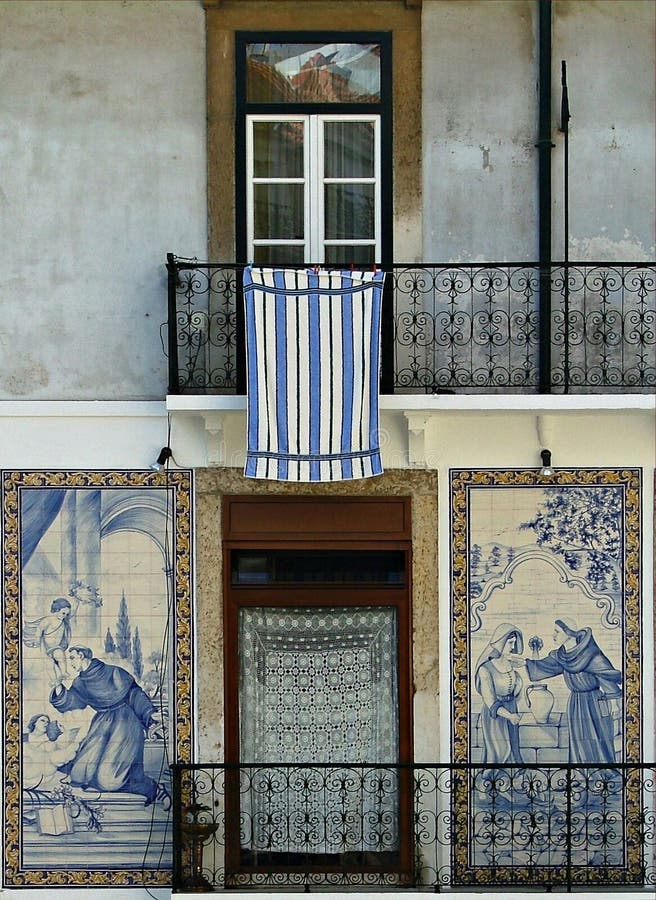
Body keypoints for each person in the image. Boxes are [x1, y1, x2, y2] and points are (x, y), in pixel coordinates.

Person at [49, 646, 169, 808]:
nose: (70, 663)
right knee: (79, 773)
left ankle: (155, 790)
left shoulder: (113, 672)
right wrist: (58, 685)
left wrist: (150, 714)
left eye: (72, 658)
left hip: (125, 723)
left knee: (108, 780)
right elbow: (72, 701)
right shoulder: (79, 682)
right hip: (102, 723)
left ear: (82, 655)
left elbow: (134, 694)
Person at [525, 618, 621, 764]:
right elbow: (544, 666)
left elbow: (606, 676)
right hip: (575, 703)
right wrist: (524, 663)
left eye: (557, 632)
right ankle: (580, 772)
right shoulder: (562, 656)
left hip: (594, 703)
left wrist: (614, 702)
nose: (553, 635)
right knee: (578, 740)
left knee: (597, 740)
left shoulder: (591, 654)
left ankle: (600, 773)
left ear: (569, 633)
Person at [474, 624, 525, 764]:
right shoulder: (485, 669)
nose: (512, 647)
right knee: (499, 752)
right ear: (500, 643)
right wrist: (510, 716)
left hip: (512, 709)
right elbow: (490, 702)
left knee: (514, 751)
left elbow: (516, 692)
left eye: (514, 643)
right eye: (510, 643)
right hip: (495, 716)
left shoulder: (511, 665)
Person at [23, 597, 76, 685]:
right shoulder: (48, 620)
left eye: (67, 614)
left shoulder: (63, 621)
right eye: (63, 613)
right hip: (45, 648)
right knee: (49, 664)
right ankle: (53, 680)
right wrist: (37, 640)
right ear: (56, 610)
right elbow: (40, 629)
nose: (64, 616)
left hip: (56, 647)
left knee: (60, 655)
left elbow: (72, 614)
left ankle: (63, 672)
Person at [22, 713, 80, 792]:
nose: (46, 723)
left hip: (45, 777)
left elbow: (59, 756)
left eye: (48, 722)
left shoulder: (51, 742)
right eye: (42, 720)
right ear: (34, 722)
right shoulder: (24, 737)